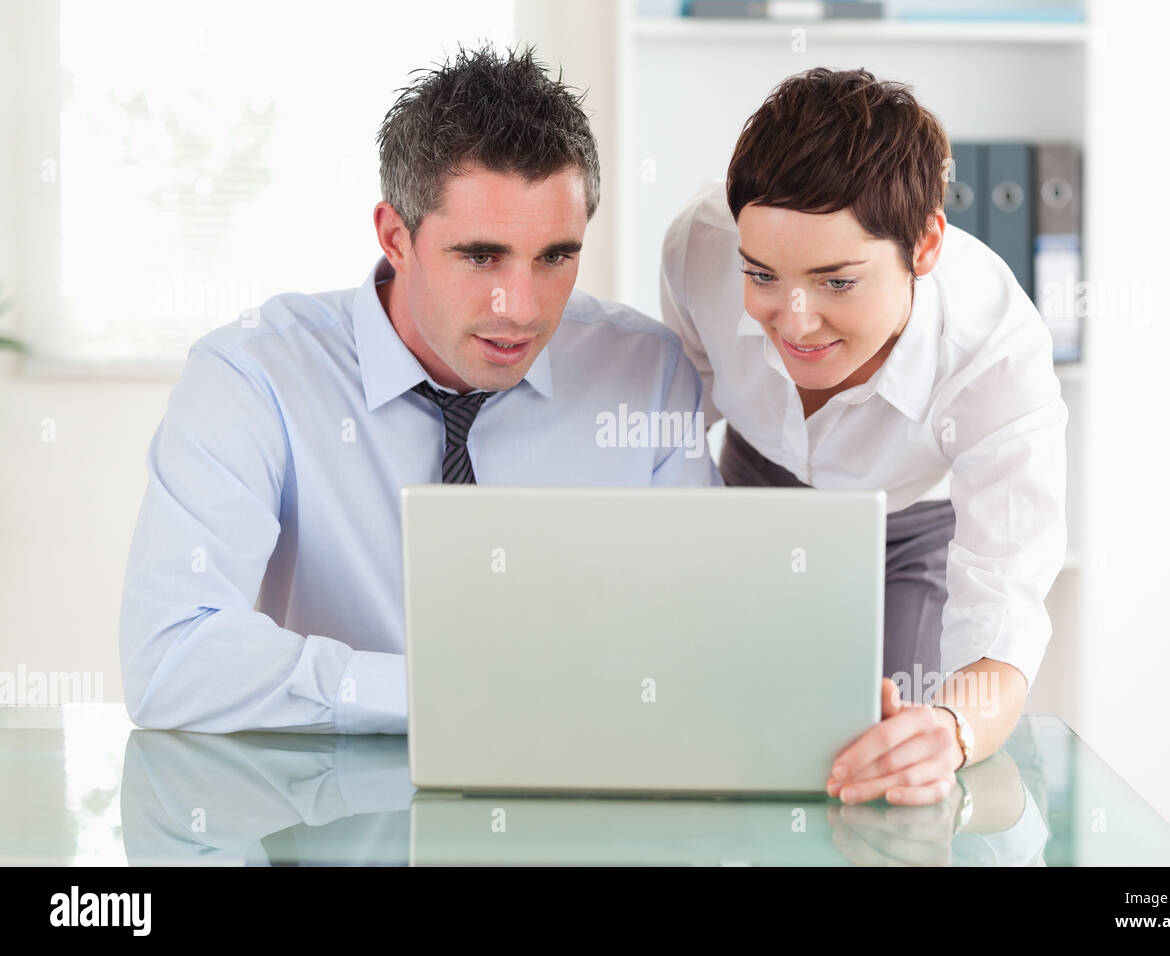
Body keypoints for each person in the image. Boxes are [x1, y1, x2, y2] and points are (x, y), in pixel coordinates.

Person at [119, 45, 720, 735]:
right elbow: (171, 659)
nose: (520, 307)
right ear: (395, 237)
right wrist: (443, 698)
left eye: (556, 256)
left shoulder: (645, 374)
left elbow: (698, 635)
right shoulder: (255, 377)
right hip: (333, 815)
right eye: (480, 255)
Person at [661, 67, 1068, 806]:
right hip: (754, 484)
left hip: (910, 523)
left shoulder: (997, 355)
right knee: (713, 749)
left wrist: (952, 727)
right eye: (762, 275)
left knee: (883, 765)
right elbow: (673, 418)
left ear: (925, 246)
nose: (795, 319)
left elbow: (1004, 611)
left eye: (837, 282)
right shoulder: (700, 248)